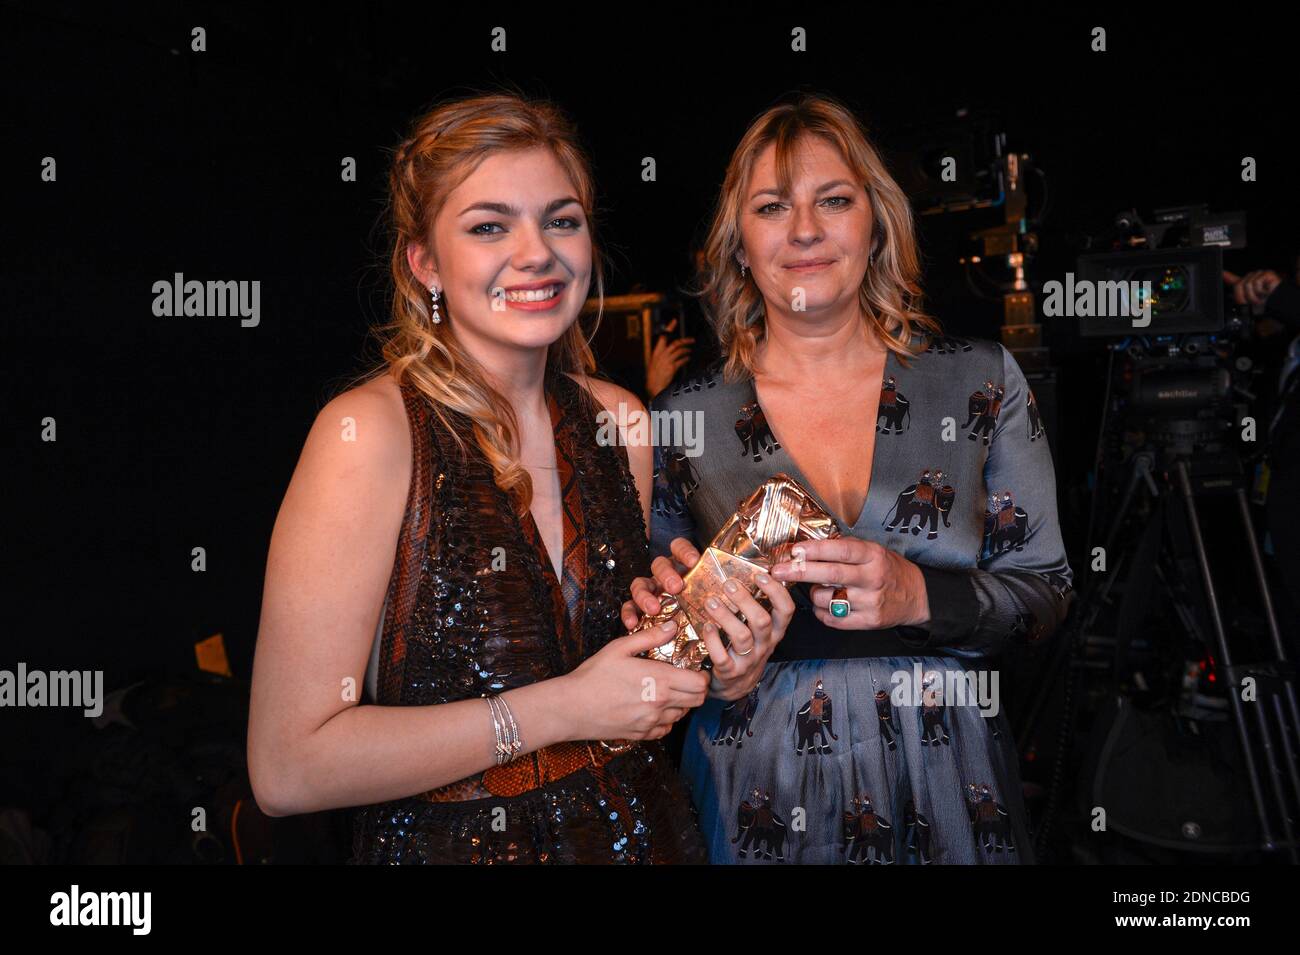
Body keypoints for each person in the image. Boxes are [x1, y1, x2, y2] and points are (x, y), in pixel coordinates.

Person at [247, 92, 712, 863]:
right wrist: (561, 708)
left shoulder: (622, 423)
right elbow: (288, 767)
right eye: (489, 225)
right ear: (423, 260)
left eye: (561, 220)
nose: (537, 253)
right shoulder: (369, 436)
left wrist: (713, 647)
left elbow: (632, 690)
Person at [622, 93, 1076, 864]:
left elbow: (1047, 595)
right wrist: (685, 646)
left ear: (877, 224)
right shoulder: (680, 418)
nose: (804, 230)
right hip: (751, 778)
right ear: (738, 243)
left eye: (833, 200)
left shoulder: (981, 381)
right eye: (772, 207)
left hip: (951, 776)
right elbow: (658, 648)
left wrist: (919, 594)